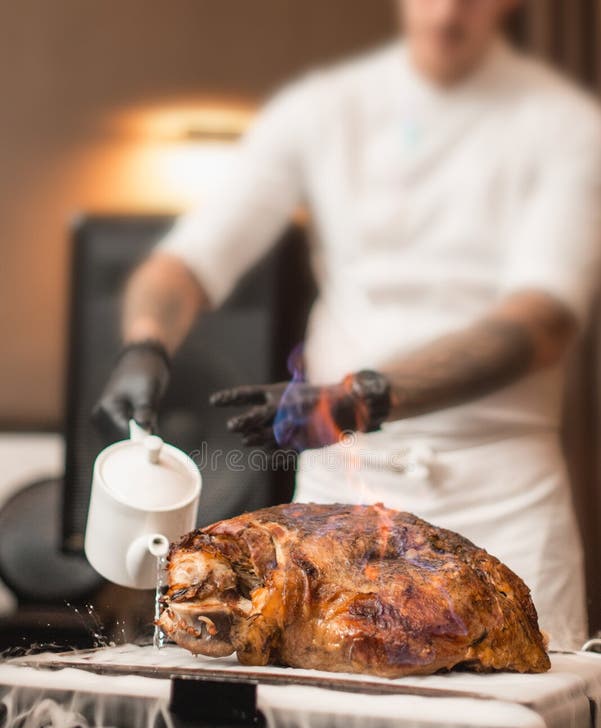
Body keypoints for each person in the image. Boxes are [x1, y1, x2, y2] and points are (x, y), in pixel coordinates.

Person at [94, 0, 601, 649]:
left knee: (519, 699)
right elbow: (186, 261)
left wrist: (360, 397)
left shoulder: (564, 126)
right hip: (342, 505)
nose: (449, 12)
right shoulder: (321, 109)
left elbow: (539, 324)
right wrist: (143, 344)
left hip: (501, 502)